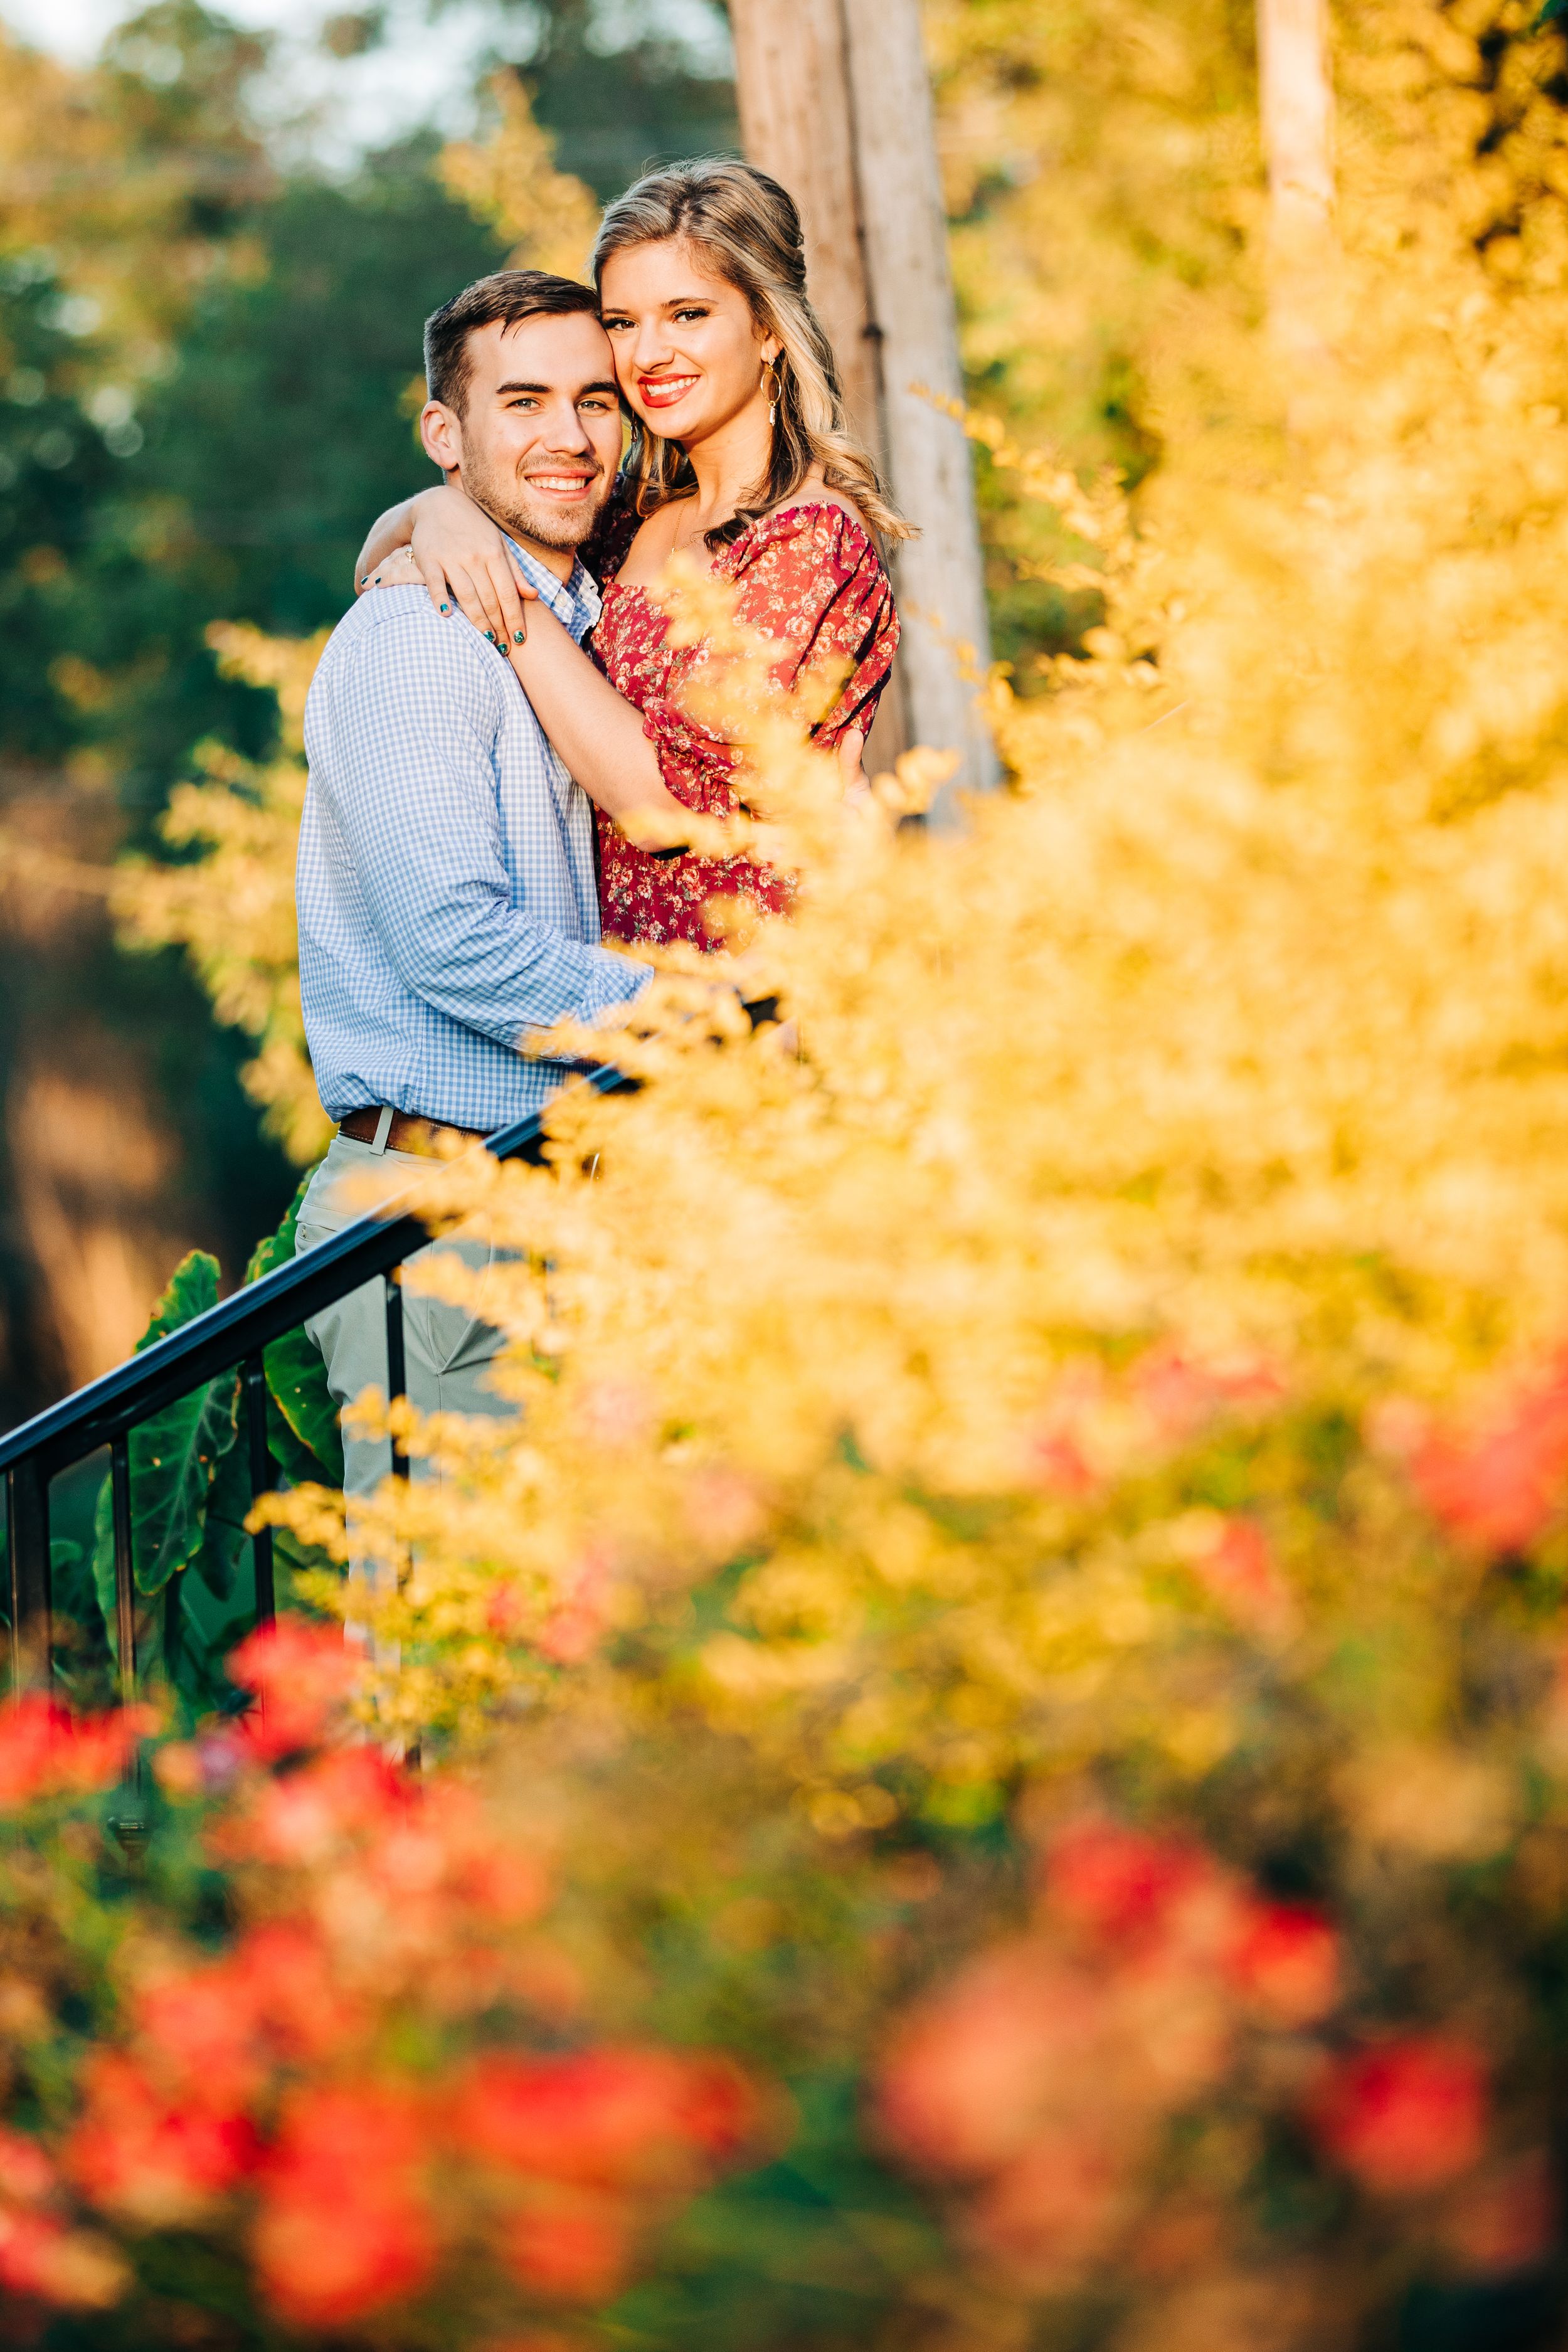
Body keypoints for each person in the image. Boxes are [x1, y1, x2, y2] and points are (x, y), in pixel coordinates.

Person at [296, 269, 677, 1504]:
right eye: (521, 403)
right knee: (444, 1664)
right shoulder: (419, 638)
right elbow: (452, 943)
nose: (566, 438)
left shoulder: (577, 617)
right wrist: (690, 1020)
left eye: (594, 402)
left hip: (556, 1207)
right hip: (443, 1218)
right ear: (444, 438)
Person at [355, 158, 908, 950]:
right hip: (608, 994)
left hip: (748, 996)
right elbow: (372, 566)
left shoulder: (807, 537)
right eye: (621, 322)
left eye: (687, 314)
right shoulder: (629, 514)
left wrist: (504, 598)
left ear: (766, 330)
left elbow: (662, 808)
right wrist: (430, 510)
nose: (648, 353)